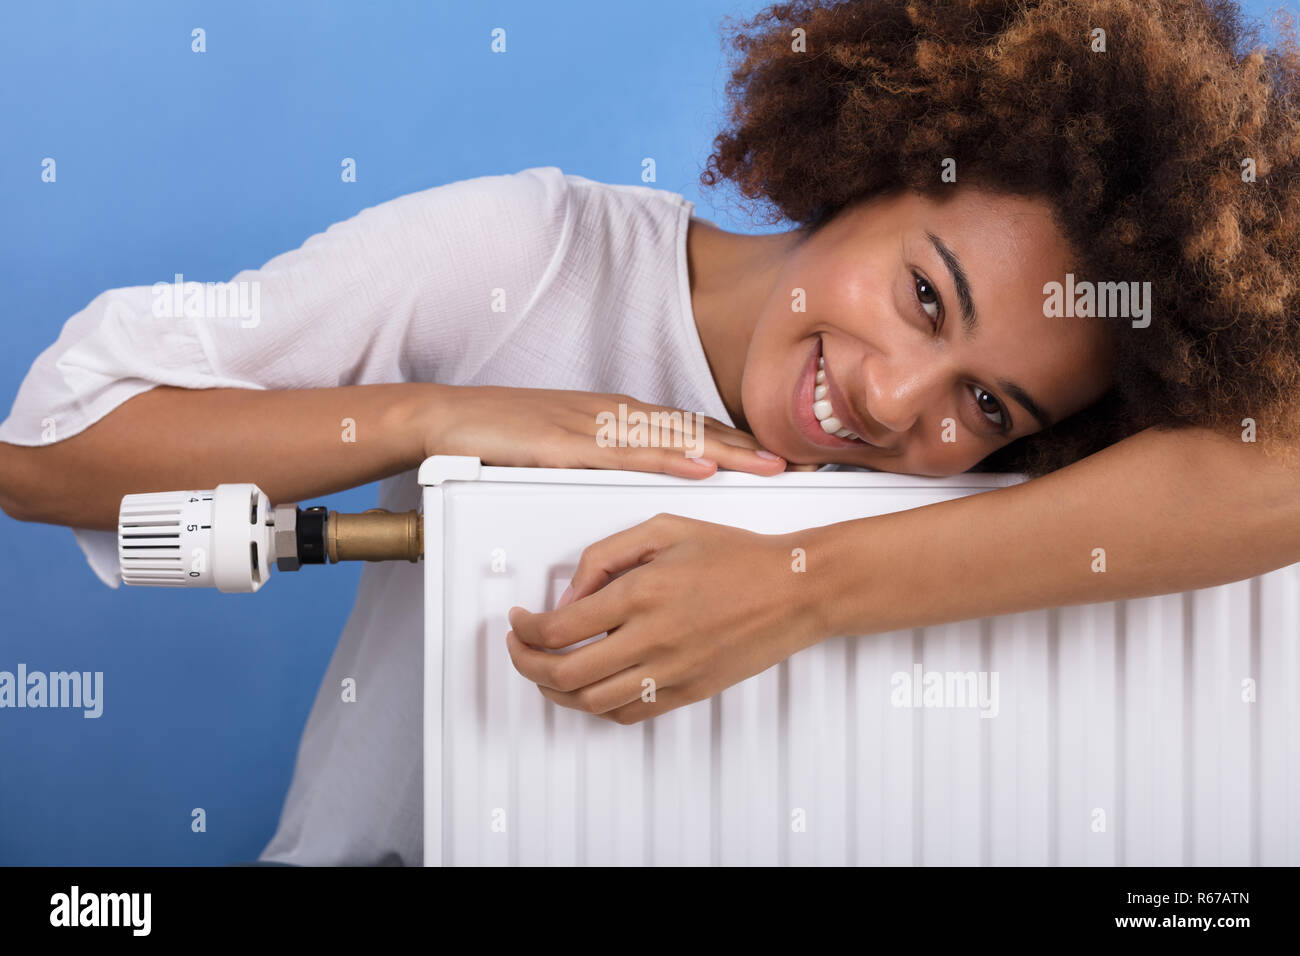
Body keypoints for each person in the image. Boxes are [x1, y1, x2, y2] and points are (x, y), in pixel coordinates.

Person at [1, 0, 1297, 865]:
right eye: (922, 297)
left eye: (989, 402)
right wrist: (445, 415)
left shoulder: (1010, 495)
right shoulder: (532, 256)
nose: (903, 402)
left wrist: (803, 587)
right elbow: (50, 453)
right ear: (878, 157)